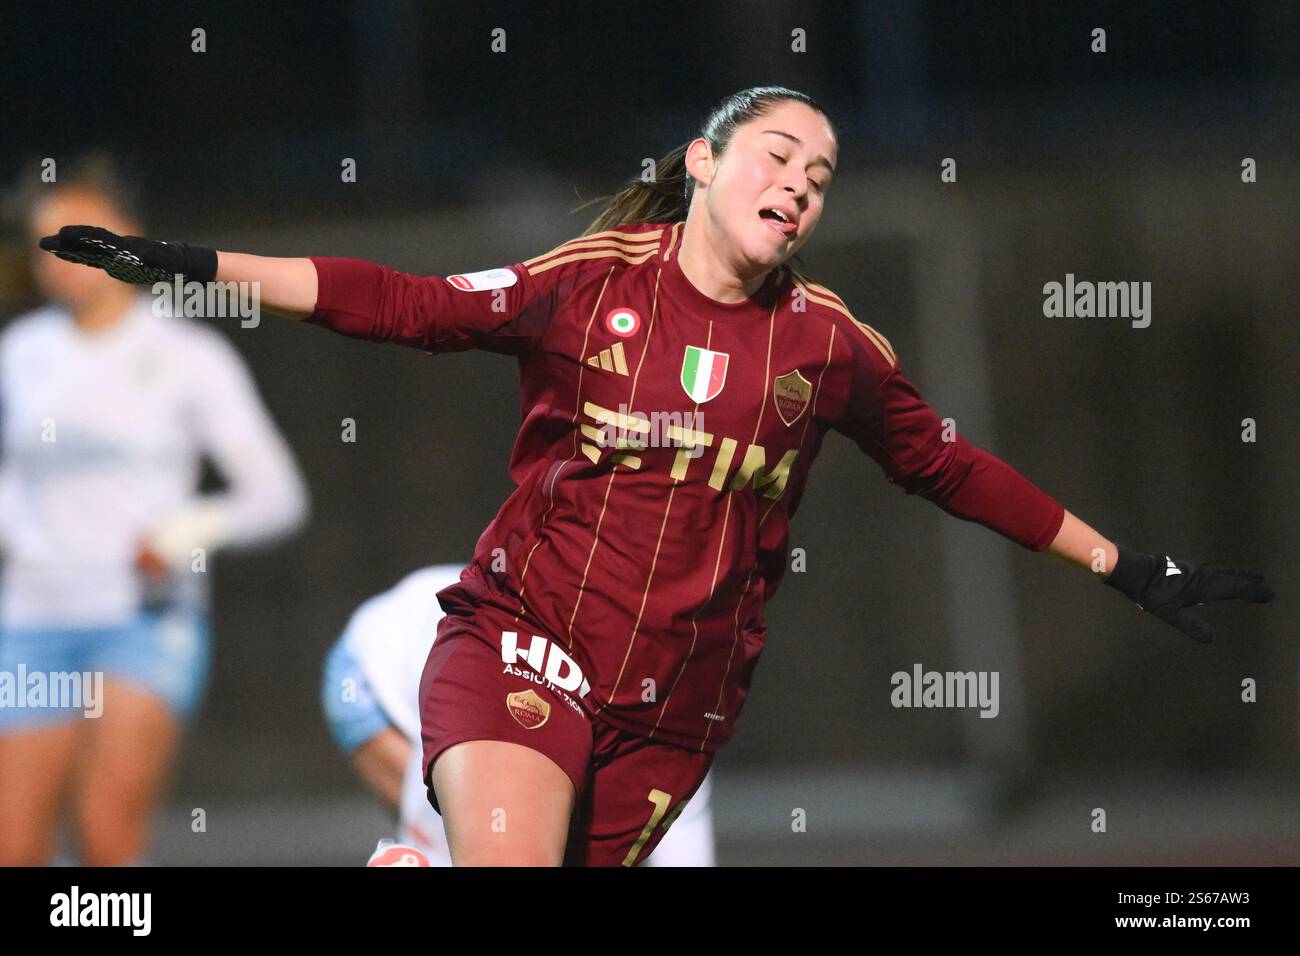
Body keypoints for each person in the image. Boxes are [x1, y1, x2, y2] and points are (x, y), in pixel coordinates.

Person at [37, 87, 1274, 867]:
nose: (799, 181)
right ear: (703, 160)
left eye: (822, 174)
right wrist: (188, 261)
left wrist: (1125, 564)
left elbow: (948, 466)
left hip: (677, 715)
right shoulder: (592, 282)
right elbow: (396, 302)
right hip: (526, 645)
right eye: (778, 153)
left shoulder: (829, 347)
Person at [0, 159, 310, 865]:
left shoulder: (187, 354)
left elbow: (277, 495)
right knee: (13, 844)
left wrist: (183, 533)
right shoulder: (20, 353)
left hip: (140, 620)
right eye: (46, 243)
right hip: (31, 622)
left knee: (105, 831)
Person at [321, 564, 716, 866]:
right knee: (462, 842)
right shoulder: (505, 695)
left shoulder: (672, 732)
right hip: (373, 673)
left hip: (460, 664)